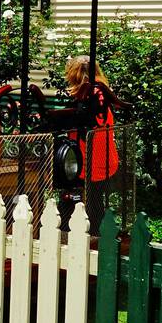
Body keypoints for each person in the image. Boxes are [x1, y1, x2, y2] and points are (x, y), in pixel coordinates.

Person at [66, 56, 119, 229]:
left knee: (86, 207)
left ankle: (92, 238)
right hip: (104, 157)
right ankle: (98, 236)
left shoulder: (88, 93)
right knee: (95, 203)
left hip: (87, 160)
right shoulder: (102, 90)